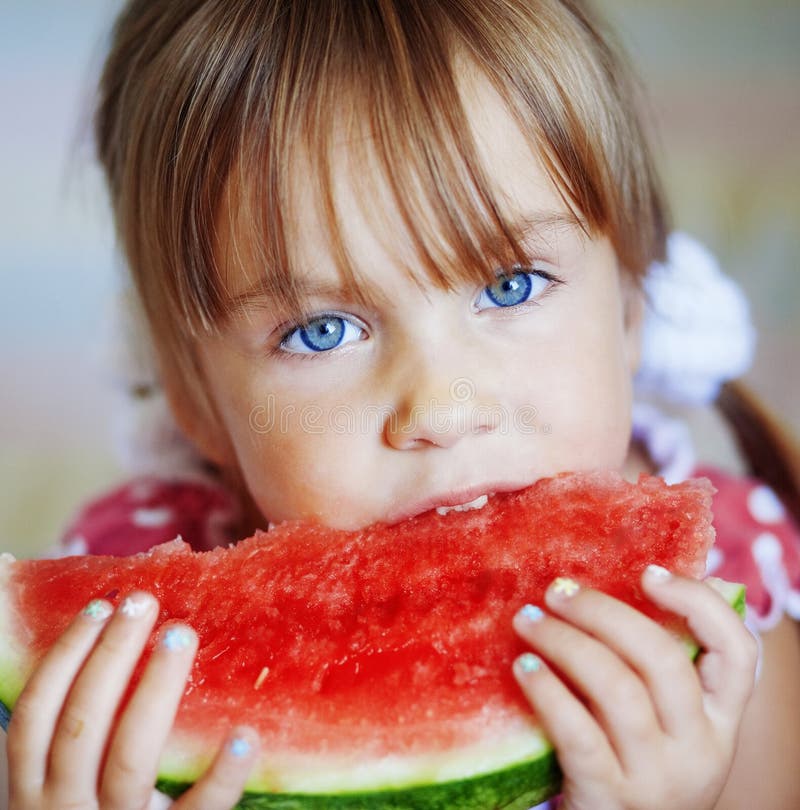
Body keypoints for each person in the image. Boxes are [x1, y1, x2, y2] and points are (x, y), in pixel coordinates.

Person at [3, 0, 800, 807]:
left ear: (630, 310)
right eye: (320, 331)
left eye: (511, 284)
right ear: (195, 404)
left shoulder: (724, 609)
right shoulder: (127, 634)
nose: (442, 410)